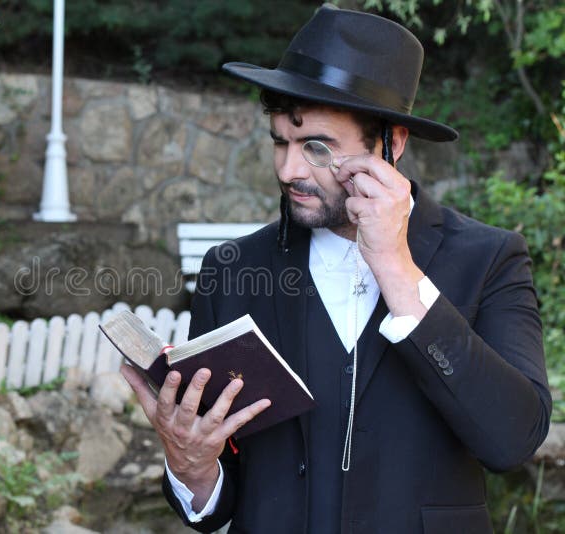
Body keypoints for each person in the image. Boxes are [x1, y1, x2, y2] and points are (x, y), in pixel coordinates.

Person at [121, 5, 551, 533]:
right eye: (281, 141)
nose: (288, 169)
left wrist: (396, 267)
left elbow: (512, 439)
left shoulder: (489, 258)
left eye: (317, 147)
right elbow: (222, 490)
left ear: (392, 143)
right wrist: (192, 464)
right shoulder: (232, 269)